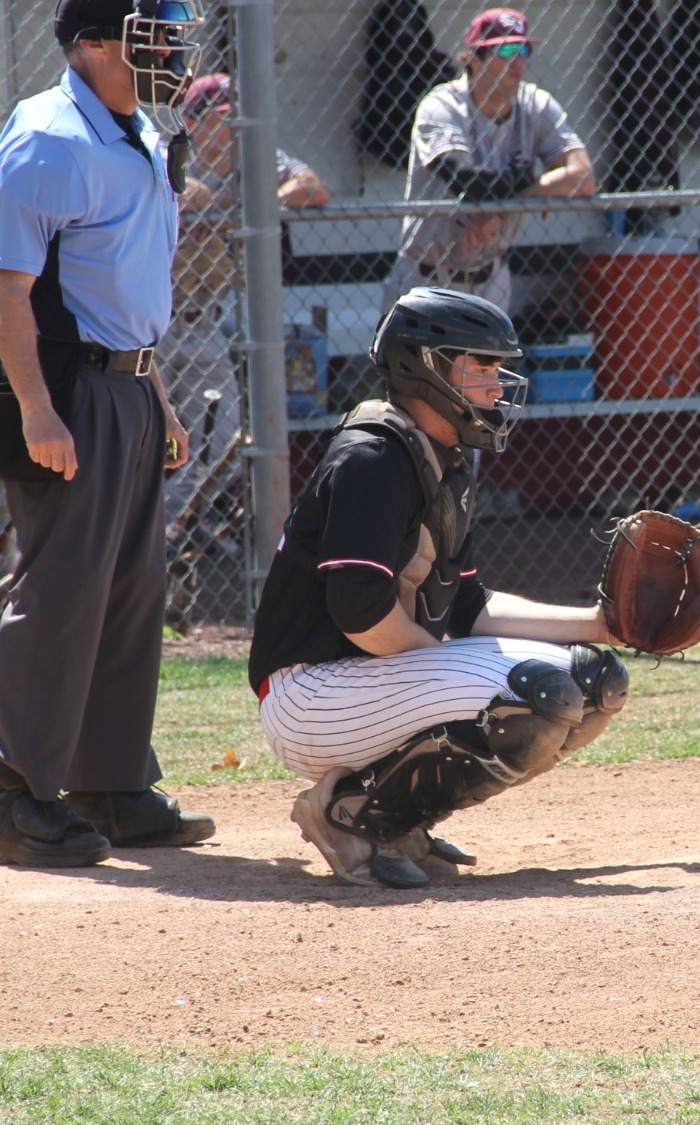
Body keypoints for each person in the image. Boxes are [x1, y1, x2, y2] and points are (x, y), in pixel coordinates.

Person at [248, 286, 631, 889]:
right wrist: (460, 673)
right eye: (480, 367)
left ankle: (399, 820)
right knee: (537, 695)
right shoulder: (373, 460)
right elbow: (361, 615)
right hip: (310, 693)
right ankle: (349, 813)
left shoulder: (442, 459)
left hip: (372, 683)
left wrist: (599, 623)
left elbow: (471, 609)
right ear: (426, 369)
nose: (498, 384)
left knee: (595, 680)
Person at [0, 0, 215, 867]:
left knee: (131, 589)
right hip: (67, 388)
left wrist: (159, 398)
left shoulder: (142, 131)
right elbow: (8, 289)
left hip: (132, 386)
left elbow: (128, 286)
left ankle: (109, 783)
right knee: (66, 588)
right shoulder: (49, 136)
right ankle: (19, 799)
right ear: (91, 44)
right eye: (154, 35)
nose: (174, 51)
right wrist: (38, 408)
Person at [161, 71, 330, 522]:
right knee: (142, 435)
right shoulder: (168, 155)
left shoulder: (253, 161)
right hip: (150, 325)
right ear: (192, 123)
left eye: (237, 114)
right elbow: (170, 194)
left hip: (205, 321)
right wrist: (197, 199)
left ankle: (175, 532)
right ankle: (144, 533)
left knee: (223, 440)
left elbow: (313, 187)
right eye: (221, 116)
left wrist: (260, 204)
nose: (235, 124)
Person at [381, 7, 596, 312]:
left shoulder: (536, 103)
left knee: (489, 363)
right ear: (472, 59)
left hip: (491, 279)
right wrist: (532, 187)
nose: (518, 61)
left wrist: (508, 205)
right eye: (505, 50)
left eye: (524, 49)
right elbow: (466, 180)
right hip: (428, 278)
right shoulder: (442, 106)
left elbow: (583, 177)